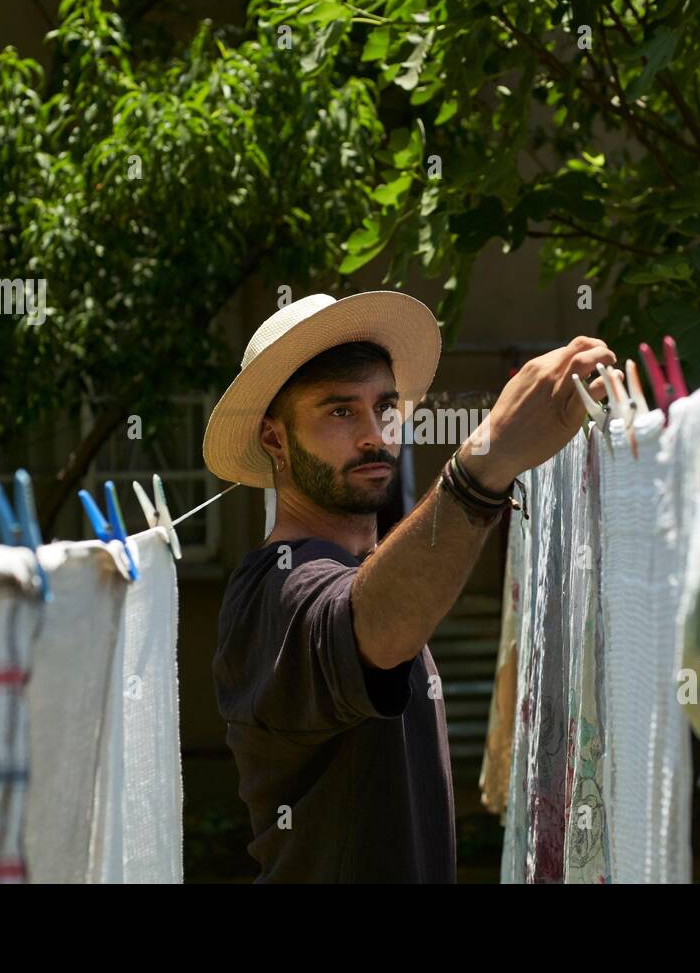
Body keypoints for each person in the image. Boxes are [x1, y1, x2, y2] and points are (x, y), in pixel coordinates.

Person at [203, 290, 615, 882]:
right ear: (275, 439)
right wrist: (484, 465)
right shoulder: (273, 593)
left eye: (385, 408)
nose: (374, 435)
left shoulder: (363, 572)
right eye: (339, 412)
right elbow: (366, 624)